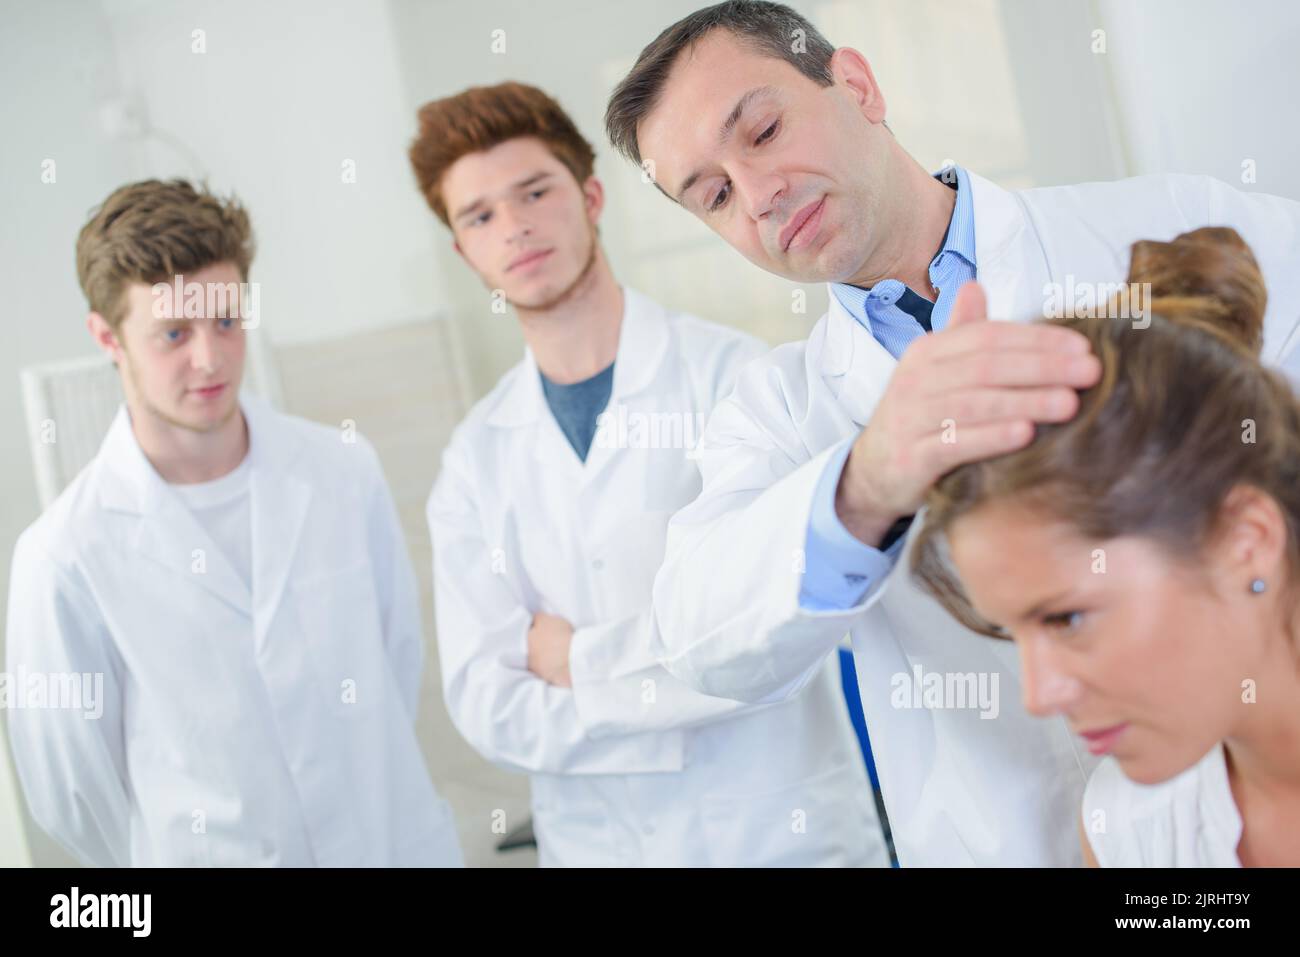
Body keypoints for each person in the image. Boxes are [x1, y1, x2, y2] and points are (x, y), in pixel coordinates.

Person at [603, 0, 1300, 865]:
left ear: (857, 85)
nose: (758, 195)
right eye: (713, 195)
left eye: (764, 131)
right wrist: (865, 481)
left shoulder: (1164, 228)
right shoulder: (777, 411)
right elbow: (700, 640)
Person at [411, 81, 888, 866]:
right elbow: (490, 708)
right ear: (464, 251)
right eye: (480, 215)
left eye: (535, 191)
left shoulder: (736, 379)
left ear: (591, 196)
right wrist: (688, 674)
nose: (515, 226)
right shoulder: (474, 458)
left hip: (779, 839)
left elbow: (783, 629)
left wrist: (576, 663)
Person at [5, 179, 464, 867]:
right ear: (108, 337)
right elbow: (74, 794)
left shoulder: (343, 470)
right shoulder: (64, 554)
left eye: (225, 320)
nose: (210, 357)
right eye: (173, 334)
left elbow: (396, 662)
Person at [911, 228, 1300, 868]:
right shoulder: (1128, 829)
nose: (1040, 697)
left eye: (1067, 618)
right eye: (1011, 633)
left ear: (1245, 541)